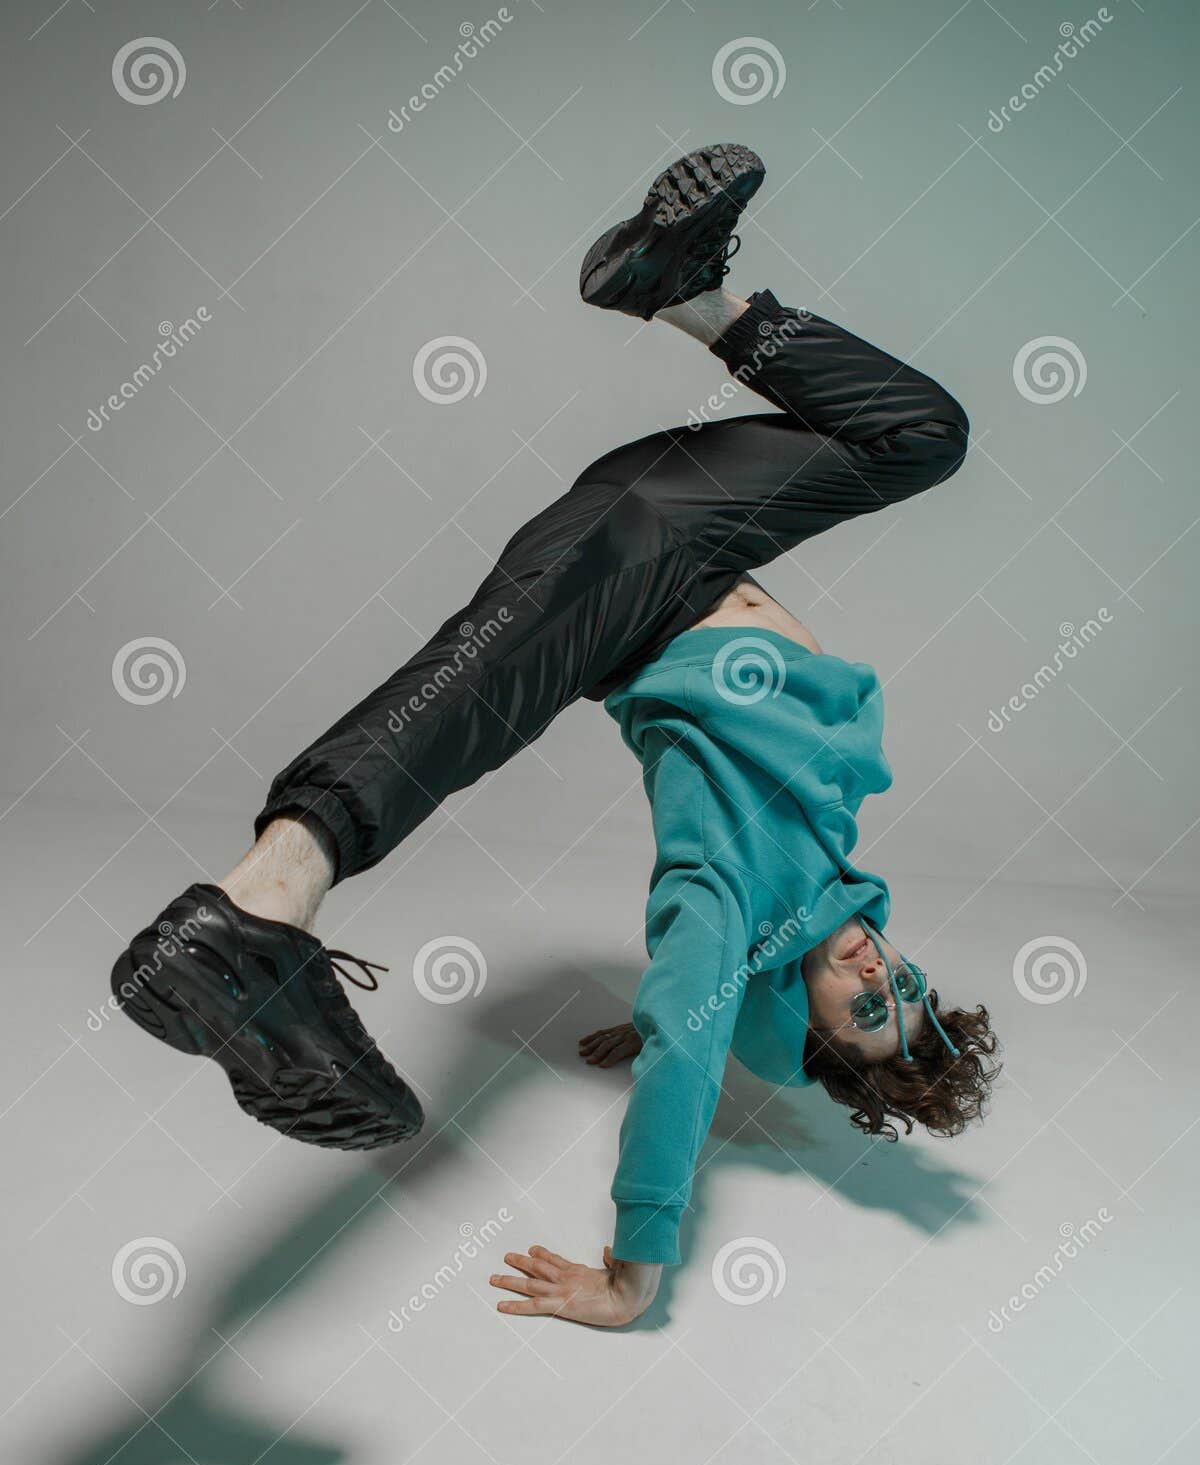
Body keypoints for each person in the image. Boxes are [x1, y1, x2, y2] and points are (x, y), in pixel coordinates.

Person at [111, 143, 1000, 1328]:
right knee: (923, 436)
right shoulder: (820, 872)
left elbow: (690, 1062)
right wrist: (681, 1007)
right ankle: (682, 288)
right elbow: (702, 1016)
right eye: (909, 983)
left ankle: (263, 912)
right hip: (699, 536)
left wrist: (637, 1269)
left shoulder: (725, 907)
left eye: (869, 1010)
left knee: (450, 710)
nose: (882, 974)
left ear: (807, 1021)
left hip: (624, 592)